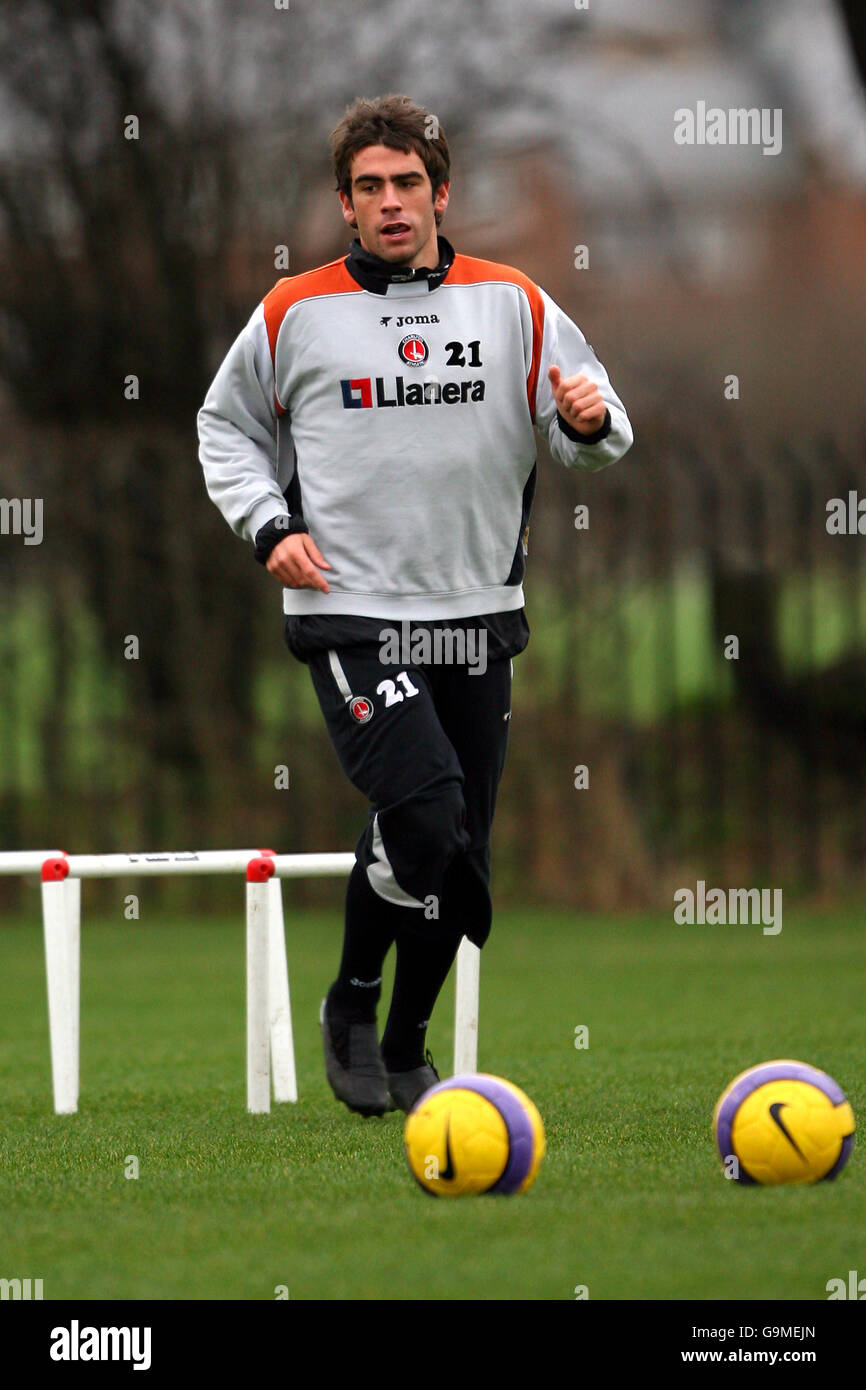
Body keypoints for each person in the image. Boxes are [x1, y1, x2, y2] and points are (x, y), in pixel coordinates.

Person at [198, 94, 633, 1117]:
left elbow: (597, 430)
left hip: (477, 612)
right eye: (368, 187)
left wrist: (585, 418)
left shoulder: (513, 304)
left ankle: (404, 1046)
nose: (389, 202)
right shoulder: (292, 311)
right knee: (428, 813)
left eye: (406, 183)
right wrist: (269, 526)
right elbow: (224, 430)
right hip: (347, 609)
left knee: (456, 849)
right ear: (343, 203)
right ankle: (352, 1002)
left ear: (441, 194)